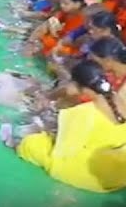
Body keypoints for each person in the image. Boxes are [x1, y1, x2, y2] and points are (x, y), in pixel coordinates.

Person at [17, 59, 126, 192]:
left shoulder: (84, 113)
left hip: (90, 173)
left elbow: (65, 152)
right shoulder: (118, 99)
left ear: (80, 87)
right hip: (117, 175)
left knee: (30, 143)